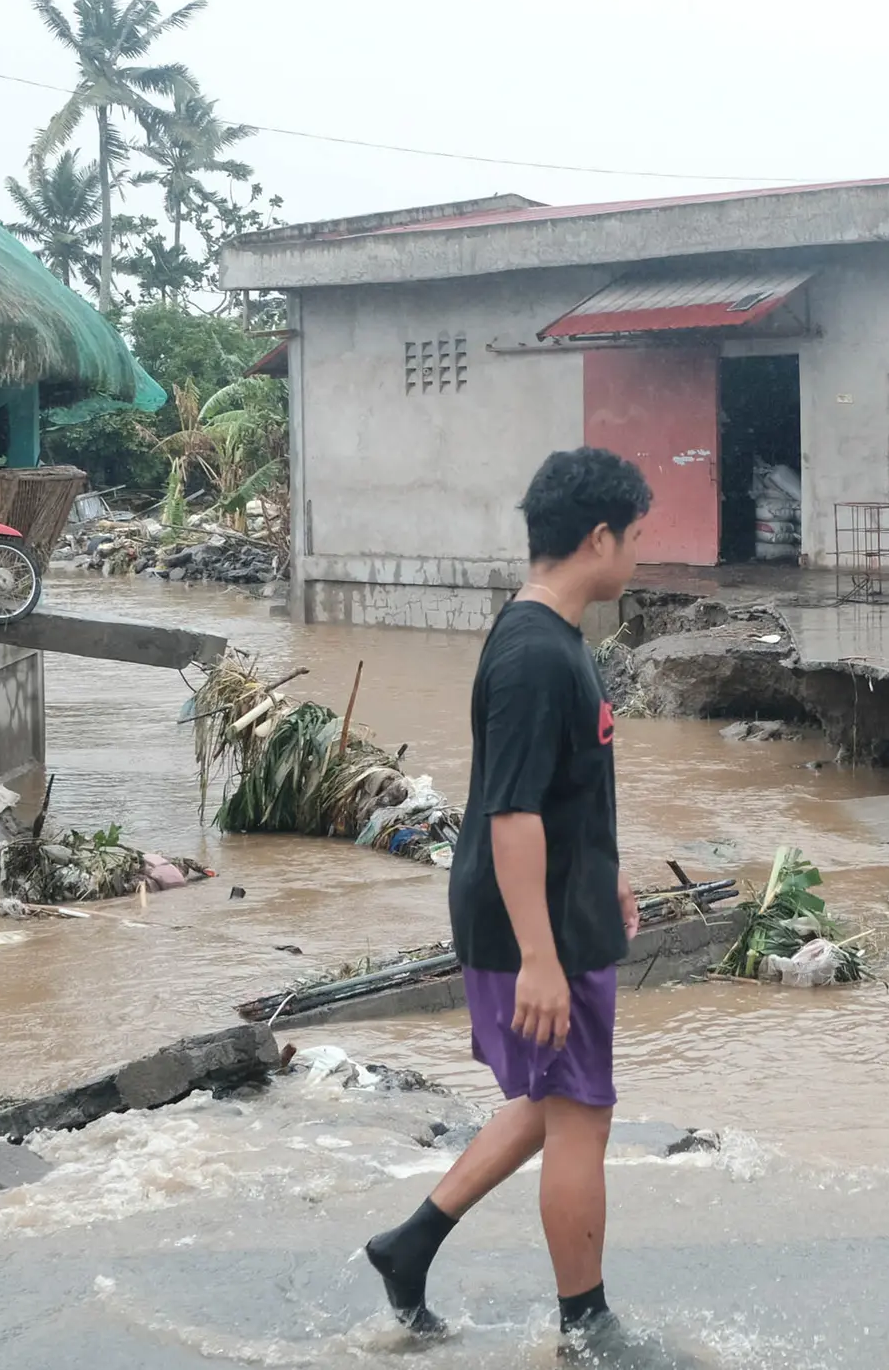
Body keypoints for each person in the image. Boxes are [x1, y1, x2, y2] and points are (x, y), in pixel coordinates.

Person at [365, 446, 652, 1354]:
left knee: (554, 1094)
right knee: (580, 1113)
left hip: (563, 904)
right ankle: (587, 1327)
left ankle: (410, 1245)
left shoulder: (554, 638)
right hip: (536, 925)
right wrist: (539, 956)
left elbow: (561, 787)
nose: (640, 555)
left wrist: (605, 866)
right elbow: (511, 812)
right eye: (636, 537)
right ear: (599, 538)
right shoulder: (535, 654)